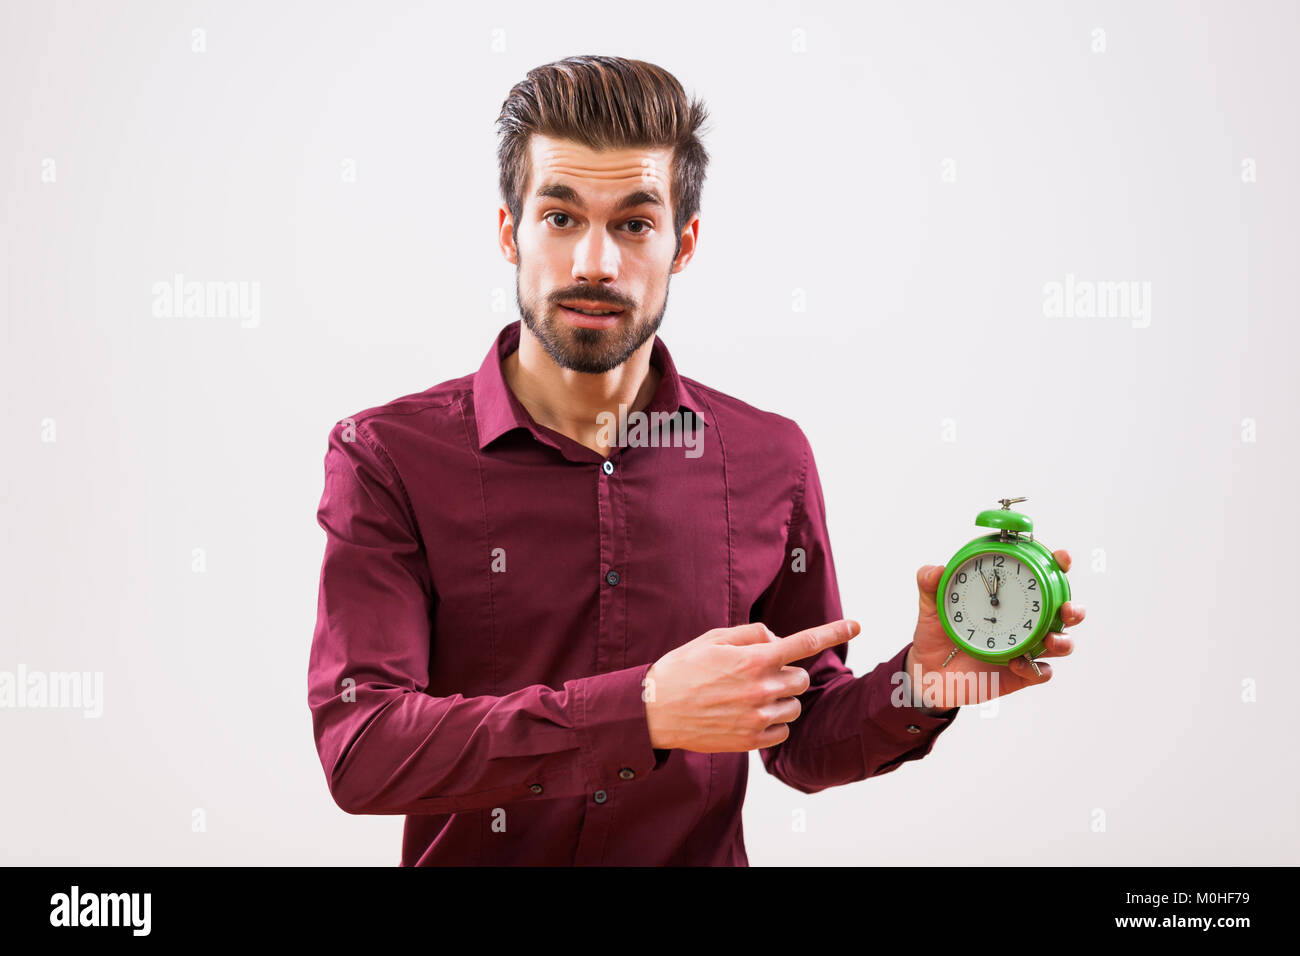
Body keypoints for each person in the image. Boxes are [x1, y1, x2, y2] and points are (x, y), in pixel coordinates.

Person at [306, 54, 1086, 866]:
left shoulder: (767, 458)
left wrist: (923, 683)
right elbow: (362, 749)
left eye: (635, 224)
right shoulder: (387, 458)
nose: (595, 265)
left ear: (683, 244)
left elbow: (802, 738)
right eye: (562, 218)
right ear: (511, 233)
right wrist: (640, 712)